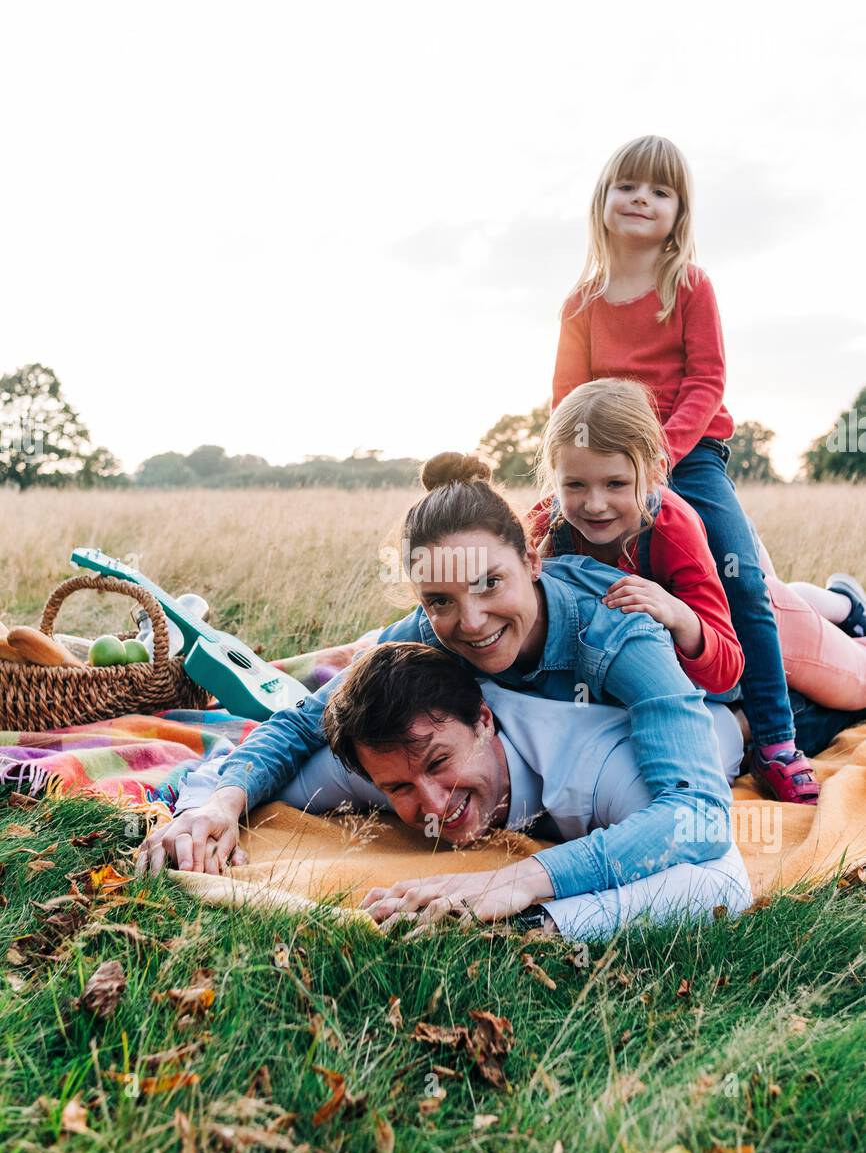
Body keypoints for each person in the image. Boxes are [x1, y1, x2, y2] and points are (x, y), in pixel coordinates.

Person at [136, 453, 734, 886]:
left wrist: (525, 879)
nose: (470, 623)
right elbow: (304, 722)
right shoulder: (428, 633)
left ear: (532, 559)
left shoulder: (615, 631)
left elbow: (697, 813)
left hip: (724, 687)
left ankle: (831, 604)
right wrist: (218, 803)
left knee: (795, 649)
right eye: (440, 599)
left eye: (490, 584)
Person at [550, 134, 817, 803]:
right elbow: (567, 400)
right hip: (599, 462)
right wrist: (580, 473)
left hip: (687, 455)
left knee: (740, 576)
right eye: (629, 185)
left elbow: (707, 381)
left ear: (678, 212)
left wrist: (657, 459)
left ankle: (777, 737)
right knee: (553, 557)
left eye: (660, 190)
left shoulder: (689, 286)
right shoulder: (581, 304)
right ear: (604, 199)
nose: (642, 198)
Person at [170, 641, 753, 939]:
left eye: (441, 762)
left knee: (818, 667)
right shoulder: (384, 758)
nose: (432, 805)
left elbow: (722, 875)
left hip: (730, 712)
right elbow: (272, 748)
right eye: (398, 787)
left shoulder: (600, 767)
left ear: (484, 722)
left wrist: (528, 905)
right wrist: (209, 805)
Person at [532, 378, 866, 728]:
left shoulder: (672, 529)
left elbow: (728, 670)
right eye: (574, 485)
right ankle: (839, 599)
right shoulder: (548, 525)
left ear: (654, 474)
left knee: (858, 689)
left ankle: (845, 603)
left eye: (616, 483)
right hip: (704, 648)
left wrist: (678, 613)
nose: (595, 504)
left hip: (769, 629)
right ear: (555, 478)